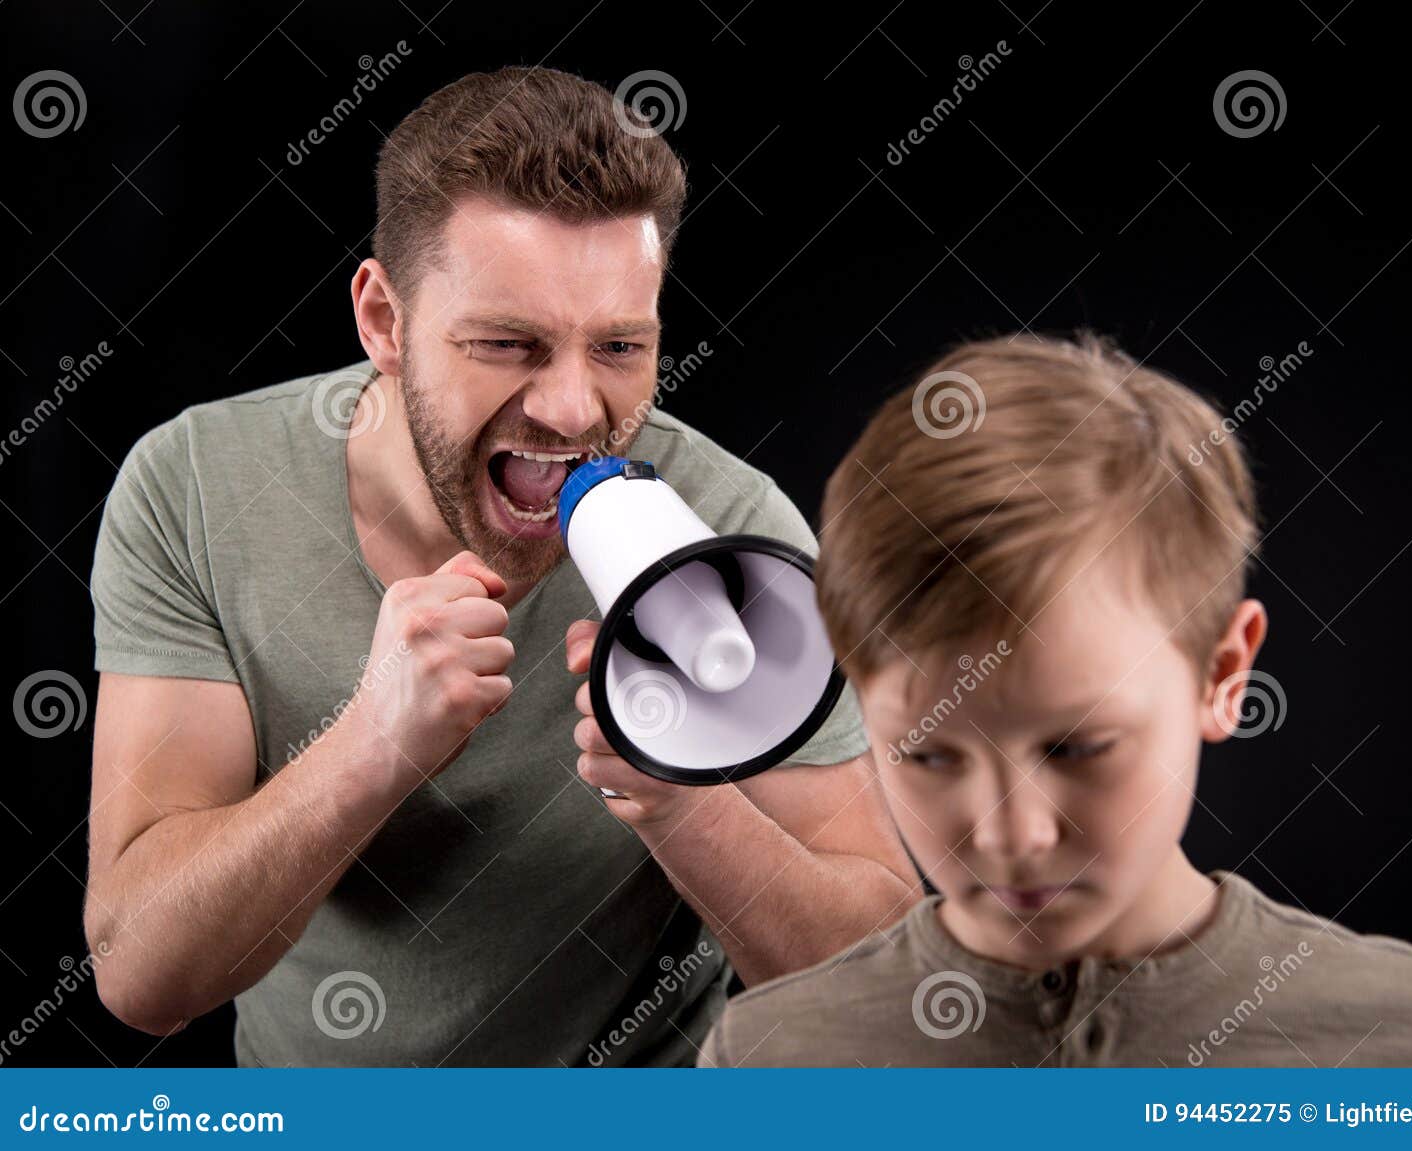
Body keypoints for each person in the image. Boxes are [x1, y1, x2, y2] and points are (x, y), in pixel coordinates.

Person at [85, 66, 919, 1066]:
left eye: (618, 345)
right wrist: (372, 747)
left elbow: (881, 995)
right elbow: (141, 980)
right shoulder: (195, 488)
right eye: (507, 342)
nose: (573, 409)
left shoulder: (730, 534)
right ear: (383, 321)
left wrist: (680, 799)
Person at [699, 333, 1412, 1067]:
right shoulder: (772, 1061)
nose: (1012, 835)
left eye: (1079, 747)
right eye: (928, 753)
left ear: (1223, 673)